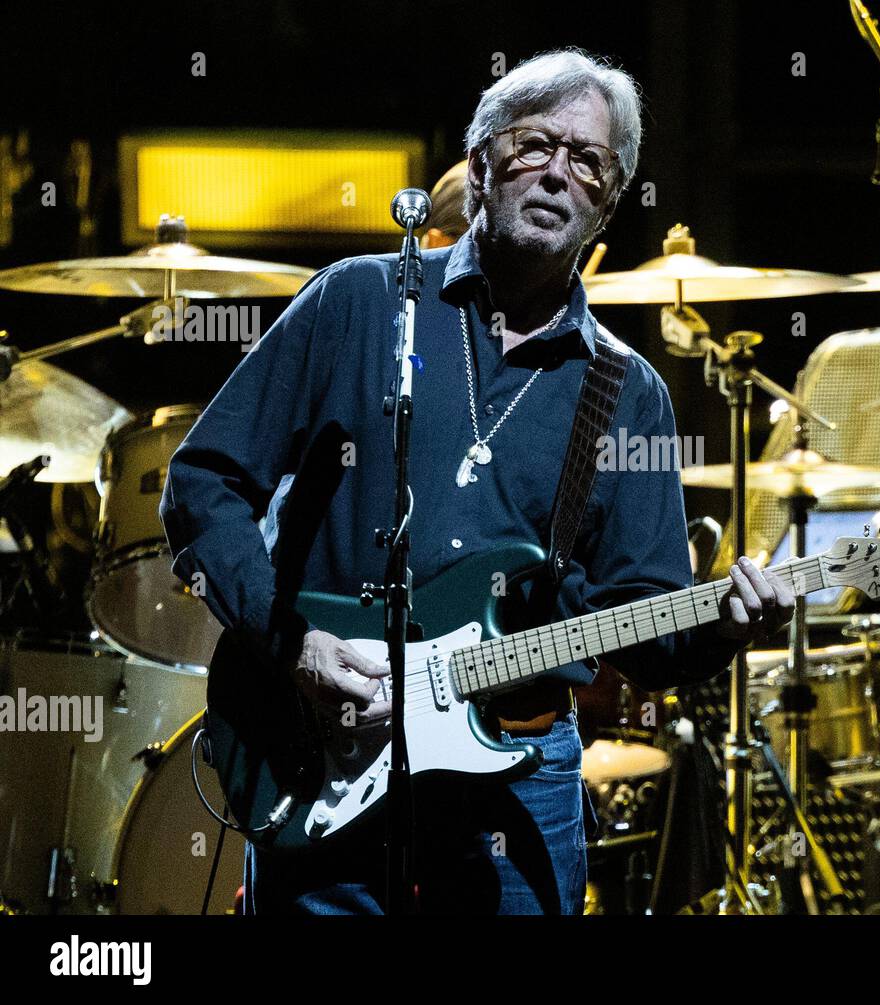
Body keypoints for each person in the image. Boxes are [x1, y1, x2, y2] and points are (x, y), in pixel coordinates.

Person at [160, 48, 793, 915]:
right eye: (536, 144)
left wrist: (726, 625)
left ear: (608, 203)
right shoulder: (359, 303)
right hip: (315, 758)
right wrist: (294, 643)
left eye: (588, 162)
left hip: (517, 783)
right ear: (484, 158)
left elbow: (645, 618)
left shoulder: (626, 391)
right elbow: (201, 482)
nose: (558, 174)